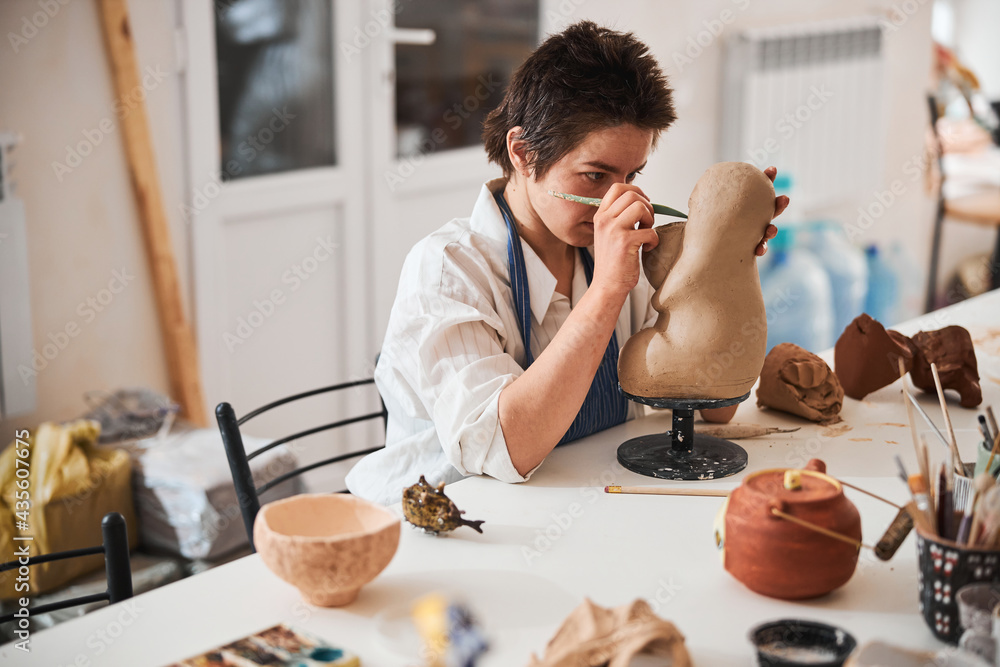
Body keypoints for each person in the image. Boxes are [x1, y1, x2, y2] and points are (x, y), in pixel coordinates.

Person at [347, 21, 786, 505]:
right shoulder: (449, 271)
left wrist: (725, 262)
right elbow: (506, 448)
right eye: (595, 175)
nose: (616, 199)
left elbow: (713, 407)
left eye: (631, 175)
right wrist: (607, 292)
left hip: (589, 503)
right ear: (523, 152)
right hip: (457, 521)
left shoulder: (621, 250)